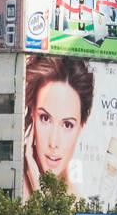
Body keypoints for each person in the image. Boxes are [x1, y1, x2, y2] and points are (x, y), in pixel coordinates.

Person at [23, 54, 96, 196]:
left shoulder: (79, 205)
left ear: (81, 126)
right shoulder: (11, 187)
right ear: (32, 114)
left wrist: (38, 189)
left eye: (67, 125)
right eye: (45, 118)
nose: (53, 142)